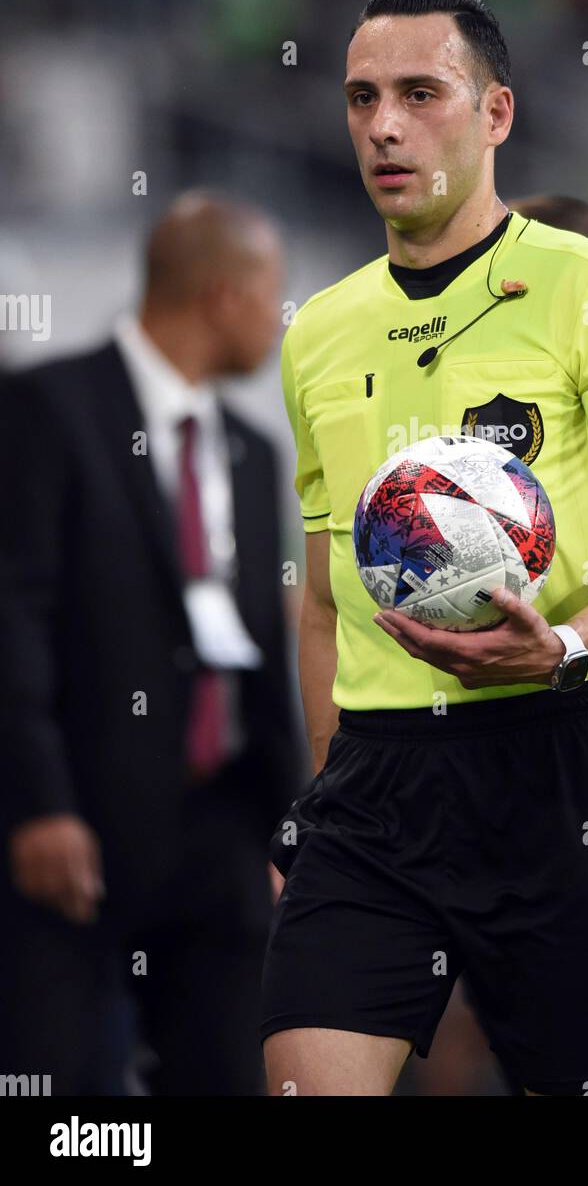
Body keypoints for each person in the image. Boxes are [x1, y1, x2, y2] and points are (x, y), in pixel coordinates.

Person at [262, 0, 588, 1098]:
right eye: (362, 97)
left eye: (421, 94)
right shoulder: (318, 331)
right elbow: (323, 600)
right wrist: (321, 794)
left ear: (495, 114)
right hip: (374, 783)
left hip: (557, 758)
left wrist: (566, 642)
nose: (384, 125)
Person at [0, 190, 297, 1094]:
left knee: (224, 1073)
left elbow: (256, 649)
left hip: (220, 831)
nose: (281, 324)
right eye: (272, 296)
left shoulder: (251, 449)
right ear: (223, 296)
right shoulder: (49, 409)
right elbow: (13, 615)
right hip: (81, 827)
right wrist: (38, 805)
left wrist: (283, 834)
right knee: (67, 1091)